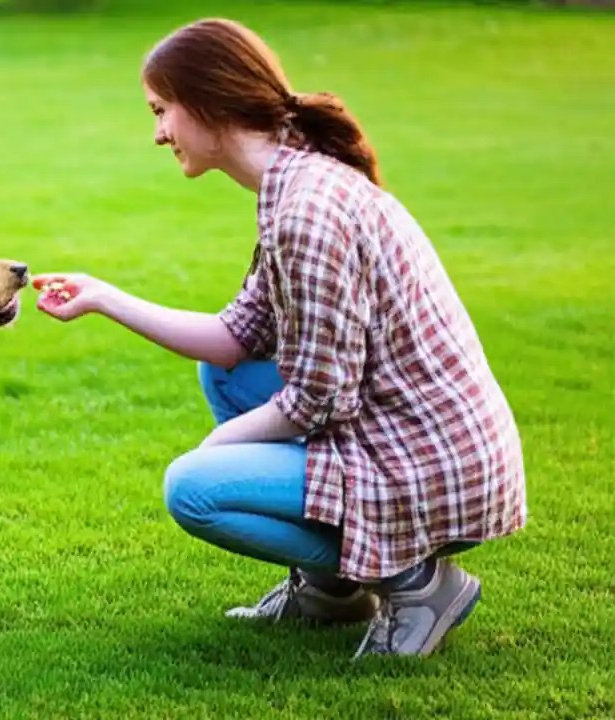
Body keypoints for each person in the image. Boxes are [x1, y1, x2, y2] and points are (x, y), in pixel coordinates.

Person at [31, 18, 526, 660]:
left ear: (208, 103)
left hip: (430, 467)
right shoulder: (293, 185)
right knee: (227, 375)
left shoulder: (307, 213)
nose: (157, 133)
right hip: (400, 437)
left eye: (161, 111)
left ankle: (416, 583)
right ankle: (332, 593)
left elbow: (323, 399)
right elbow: (235, 338)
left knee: (195, 488)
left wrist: (219, 443)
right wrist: (103, 297)